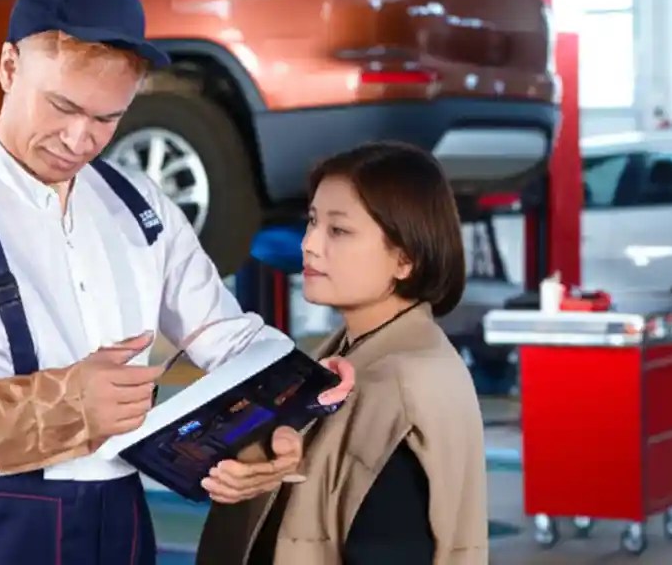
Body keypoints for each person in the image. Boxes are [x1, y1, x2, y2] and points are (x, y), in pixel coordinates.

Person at [0, 0, 354, 565]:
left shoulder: (141, 205)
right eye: (61, 106)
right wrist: (57, 406)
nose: (80, 139)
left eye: (107, 118)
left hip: (119, 513)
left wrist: (278, 423)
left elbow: (226, 335)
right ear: (9, 68)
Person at [196, 141, 490, 565]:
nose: (310, 244)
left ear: (404, 259)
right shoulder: (347, 352)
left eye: (338, 230)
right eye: (311, 222)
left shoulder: (403, 384)